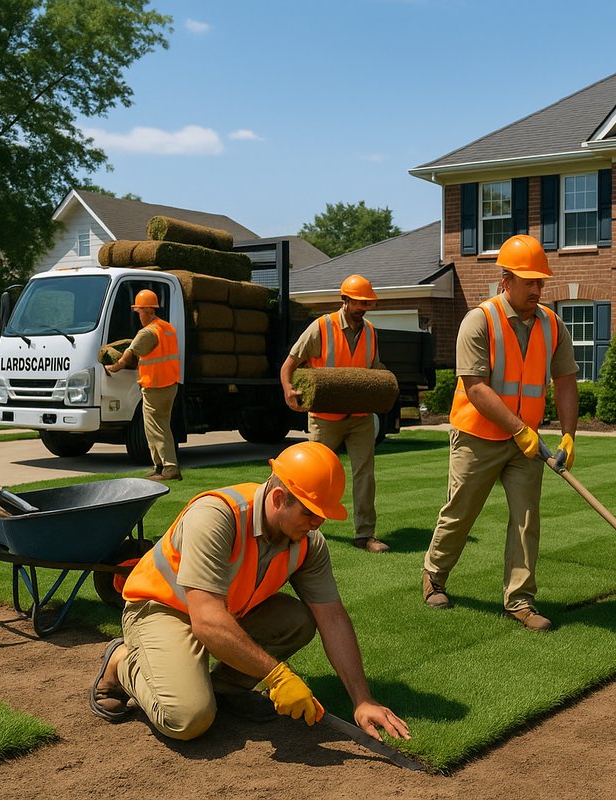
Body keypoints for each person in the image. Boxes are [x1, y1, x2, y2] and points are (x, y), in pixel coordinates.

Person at [88, 441, 411, 744]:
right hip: (160, 608)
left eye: (322, 515)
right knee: (188, 719)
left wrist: (363, 699)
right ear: (278, 498)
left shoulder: (308, 544)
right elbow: (207, 621)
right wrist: (276, 675)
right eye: (309, 512)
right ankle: (121, 663)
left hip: (221, 612)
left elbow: (332, 617)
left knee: (298, 619)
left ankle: (224, 689)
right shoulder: (216, 517)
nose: (317, 524)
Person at [421, 234, 579, 632]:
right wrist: (520, 429)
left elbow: (565, 381)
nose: (537, 289)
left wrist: (568, 435)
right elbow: (475, 387)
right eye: (529, 281)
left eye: (540, 281)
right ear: (505, 280)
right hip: (478, 436)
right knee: (460, 512)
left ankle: (520, 600)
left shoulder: (552, 324)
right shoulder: (479, 320)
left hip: (524, 443)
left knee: (527, 520)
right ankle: (434, 576)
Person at [281, 275, 391, 553]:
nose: (363, 307)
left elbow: (374, 370)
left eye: (367, 303)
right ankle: (301, 529)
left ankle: (365, 535)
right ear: (344, 300)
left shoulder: (371, 332)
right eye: (359, 302)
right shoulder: (321, 327)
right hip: (325, 418)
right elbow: (290, 364)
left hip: (360, 417)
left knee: (365, 474)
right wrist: (288, 390)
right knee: (314, 475)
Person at [104, 289, 181, 481]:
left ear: (148, 310)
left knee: (156, 427)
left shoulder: (147, 332)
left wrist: (113, 367)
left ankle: (169, 468)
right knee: (159, 426)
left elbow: (127, 355)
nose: (138, 315)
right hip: (169, 383)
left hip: (155, 386)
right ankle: (160, 466)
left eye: (139, 311)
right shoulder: (167, 328)